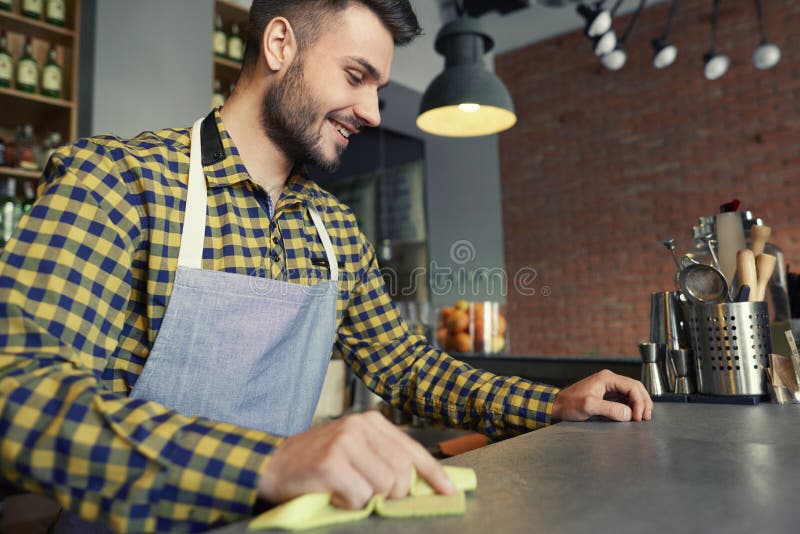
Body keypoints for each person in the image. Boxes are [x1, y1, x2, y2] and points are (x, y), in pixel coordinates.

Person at [0, 1, 653, 532]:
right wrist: (270, 462)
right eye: (355, 75)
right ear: (280, 46)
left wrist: (551, 403)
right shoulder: (121, 181)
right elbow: (17, 386)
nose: (373, 111)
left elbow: (406, 367)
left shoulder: (333, 228)